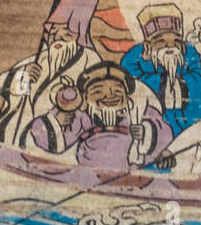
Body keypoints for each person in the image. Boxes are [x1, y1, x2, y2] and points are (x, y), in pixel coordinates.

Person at [0, 0, 102, 147]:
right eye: (54, 33)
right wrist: (22, 76)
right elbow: (0, 82)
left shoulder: (91, 62)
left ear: (79, 35)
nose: (58, 40)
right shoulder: (41, 58)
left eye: (67, 34)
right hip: (12, 138)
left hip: (52, 144)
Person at [26, 62, 173, 169]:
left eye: (117, 91)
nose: (109, 96)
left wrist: (147, 134)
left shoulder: (138, 112)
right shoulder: (83, 117)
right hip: (89, 173)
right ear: (86, 98)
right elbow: (44, 134)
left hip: (132, 173)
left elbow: (162, 129)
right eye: (98, 91)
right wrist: (60, 119)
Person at [120, 3, 201, 136]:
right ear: (148, 44)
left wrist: (175, 81)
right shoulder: (135, 56)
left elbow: (198, 84)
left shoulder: (189, 52)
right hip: (156, 123)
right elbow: (134, 87)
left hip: (189, 116)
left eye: (176, 41)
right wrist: (147, 63)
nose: (170, 46)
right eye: (162, 41)